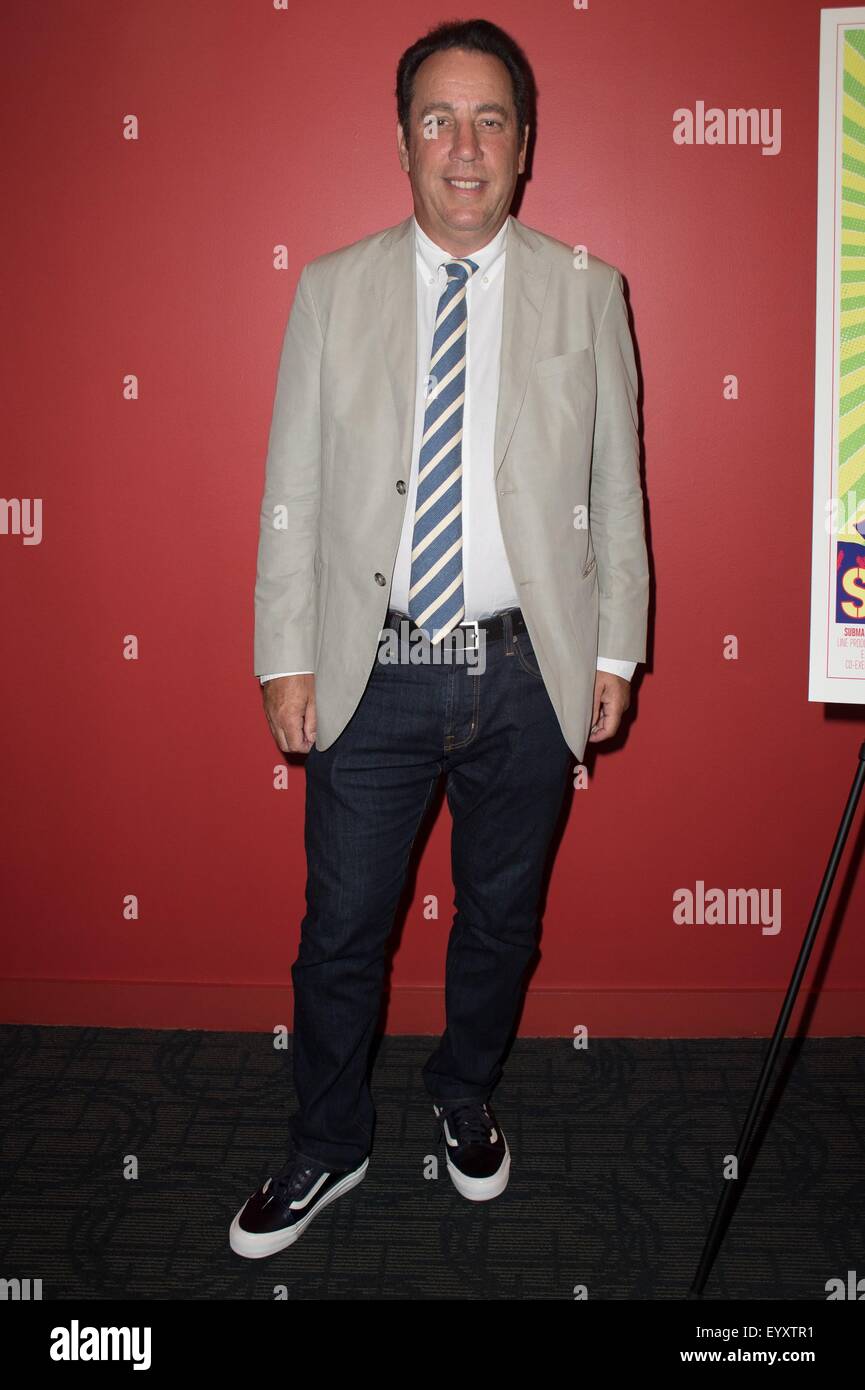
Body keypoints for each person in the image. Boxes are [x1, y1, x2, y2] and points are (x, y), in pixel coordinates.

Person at [230, 17, 649, 1259]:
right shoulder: (330, 288)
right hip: (375, 666)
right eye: (436, 120)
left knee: (501, 920)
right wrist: (282, 650)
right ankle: (327, 1141)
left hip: (529, 670)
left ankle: (463, 1089)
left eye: (489, 121)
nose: (463, 146)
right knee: (343, 926)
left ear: (524, 145)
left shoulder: (589, 288)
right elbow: (291, 484)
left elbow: (619, 484)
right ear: (403, 140)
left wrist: (616, 649)